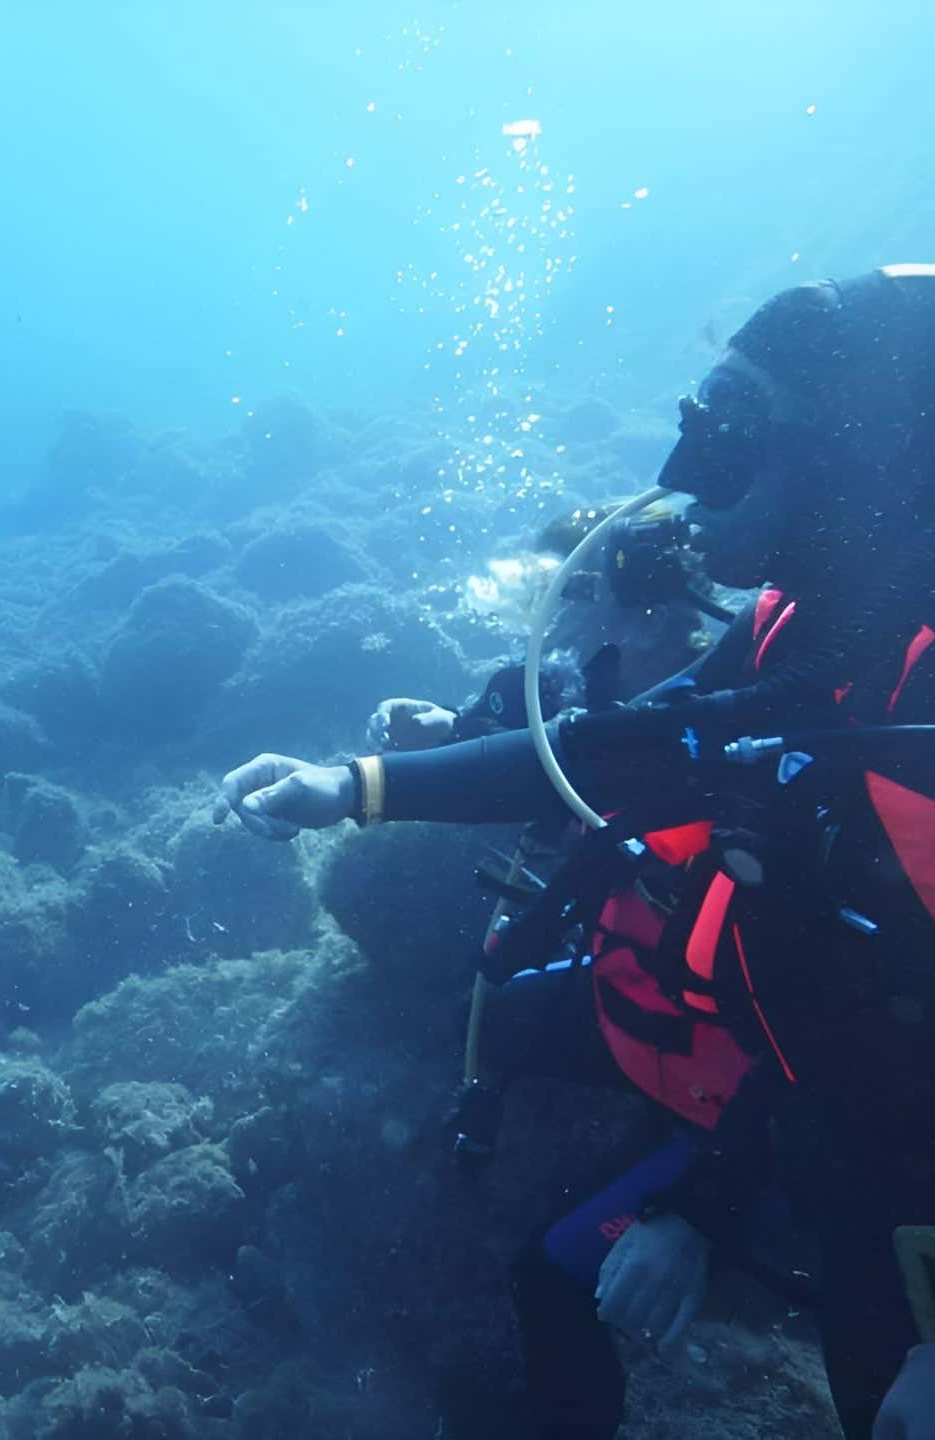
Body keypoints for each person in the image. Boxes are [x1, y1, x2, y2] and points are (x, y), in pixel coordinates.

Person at [216, 264, 935, 1438]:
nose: (679, 477)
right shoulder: (801, 629)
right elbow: (621, 750)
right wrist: (351, 788)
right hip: (850, 1147)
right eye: (697, 423)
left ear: (861, 454)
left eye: (733, 432)